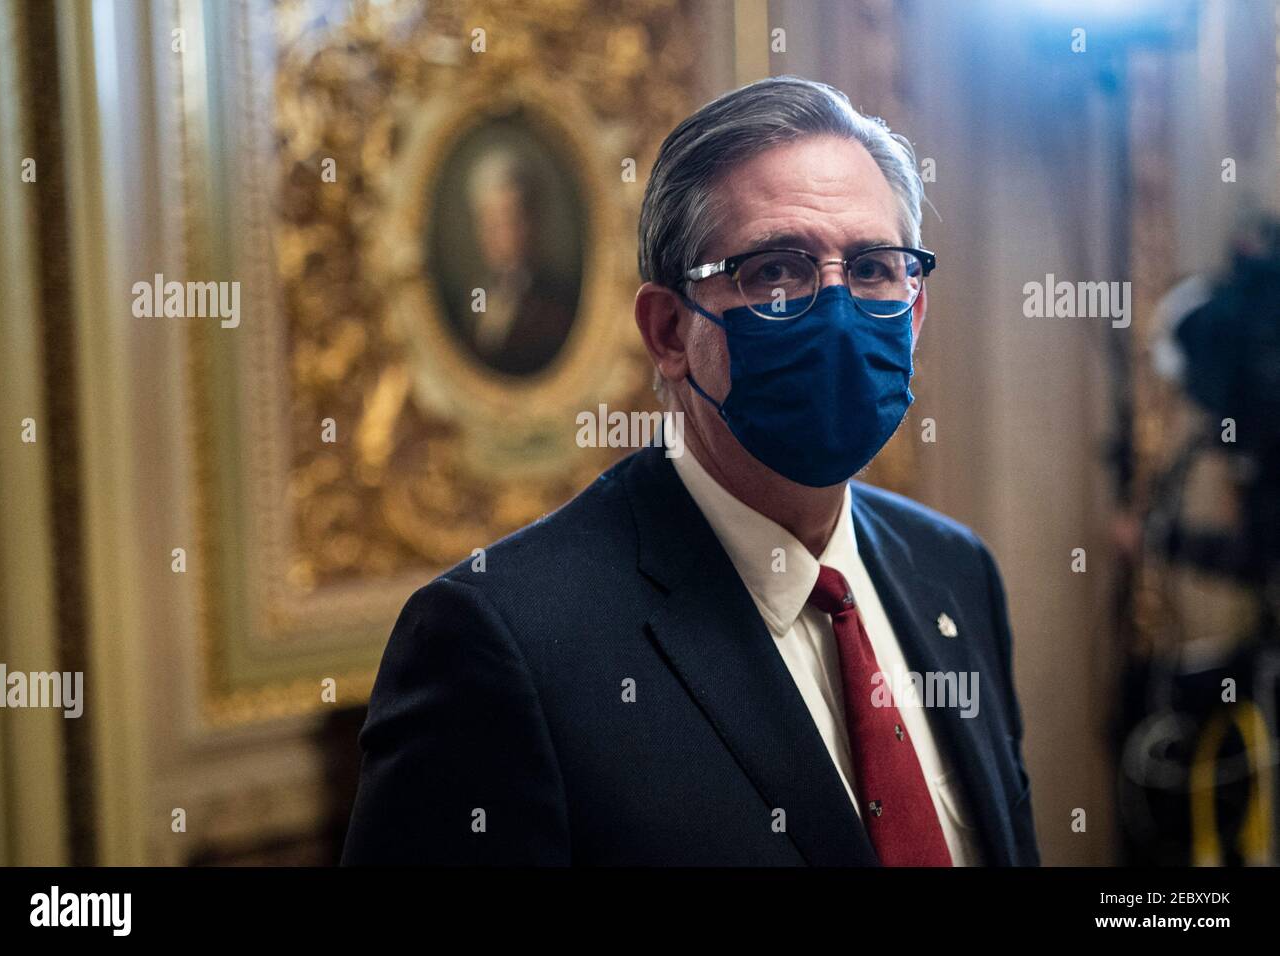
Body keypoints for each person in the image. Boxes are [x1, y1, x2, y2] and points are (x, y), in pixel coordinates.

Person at [342, 75, 1040, 866]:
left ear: (913, 312)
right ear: (670, 330)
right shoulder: (500, 647)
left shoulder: (957, 573)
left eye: (874, 268)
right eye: (778, 271)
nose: (839, 310)